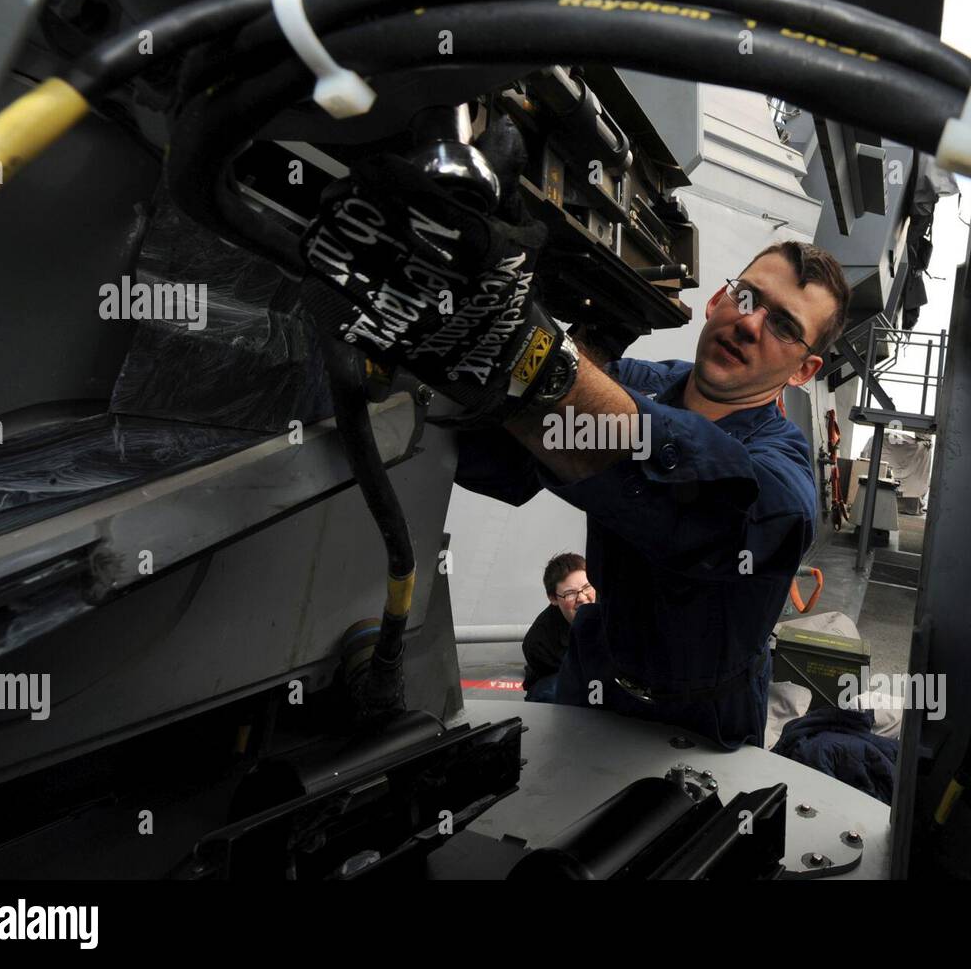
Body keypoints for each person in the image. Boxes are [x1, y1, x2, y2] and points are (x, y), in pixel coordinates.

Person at [298, 124, 849, 747]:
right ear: (719, 298)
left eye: (783, 325)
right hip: (589, 674)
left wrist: (526, 356)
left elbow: (730, 509)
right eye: (747, 297)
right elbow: (509, 445)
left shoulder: (784, 468)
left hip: (701, 721)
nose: (750, 325)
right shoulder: (640, 382)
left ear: (805, 371)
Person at [522, 553, 595, 702]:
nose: (582, 598)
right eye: (570, 593)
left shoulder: (613, 610)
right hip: (565, 681)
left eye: (587, 587)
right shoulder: (538, 643)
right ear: (553, 598)